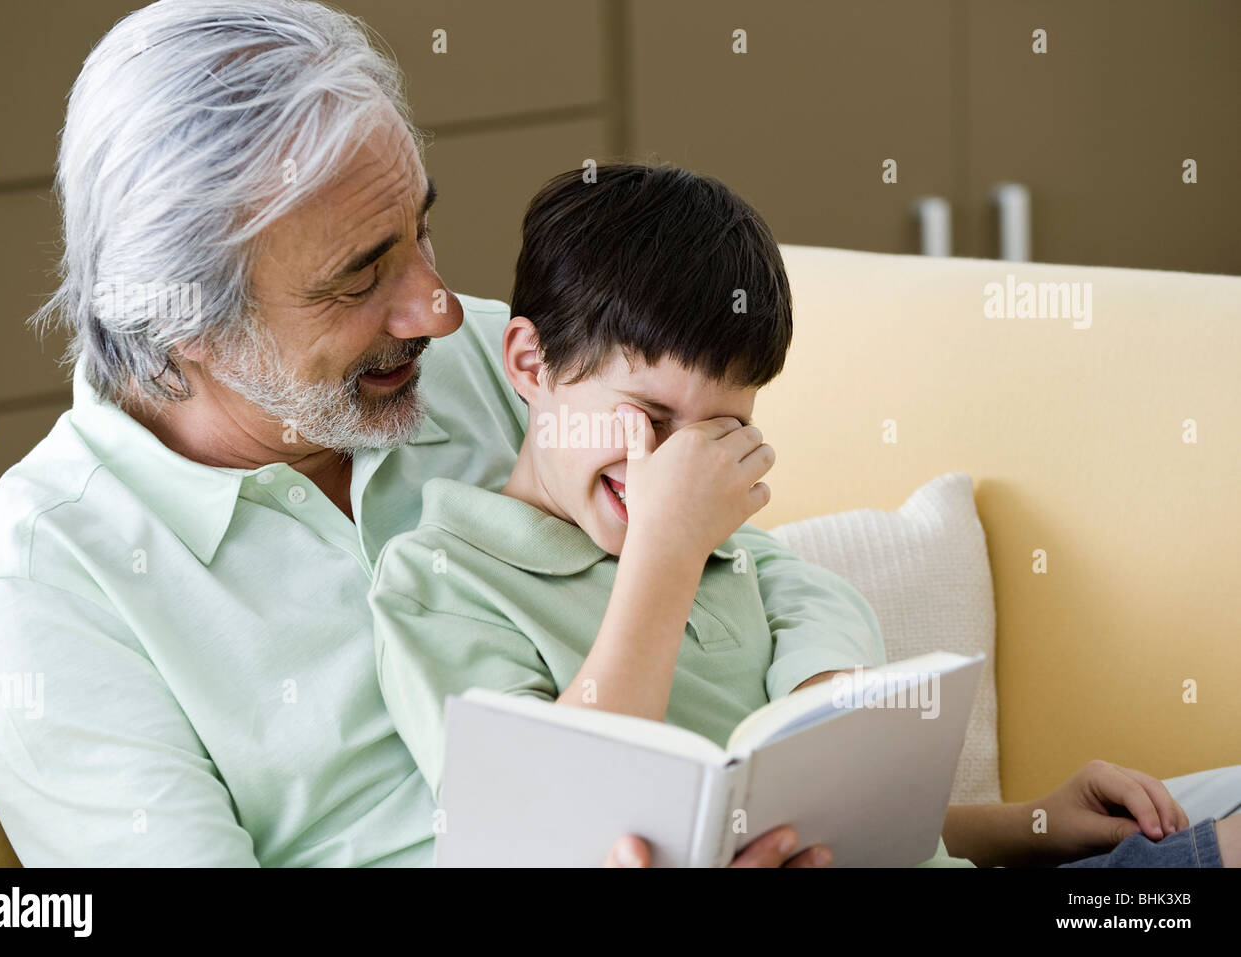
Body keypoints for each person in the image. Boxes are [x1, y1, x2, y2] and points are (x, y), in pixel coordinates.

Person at [0, 0, 1234, 868]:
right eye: (356, 278)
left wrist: (997, 820)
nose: (434, 306)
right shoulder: (44, 596)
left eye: (421, 234)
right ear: (181, 326)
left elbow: (747, 600)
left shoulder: (483, 365)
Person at [370, 162, 1238, 869]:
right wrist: (666, 555)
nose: (674, 471)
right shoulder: (440, 583)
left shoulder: (753, 560)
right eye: (649, 419)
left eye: (720, 434)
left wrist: (1037, 824)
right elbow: (572, 819)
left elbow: (870, 839)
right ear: (529, 361)